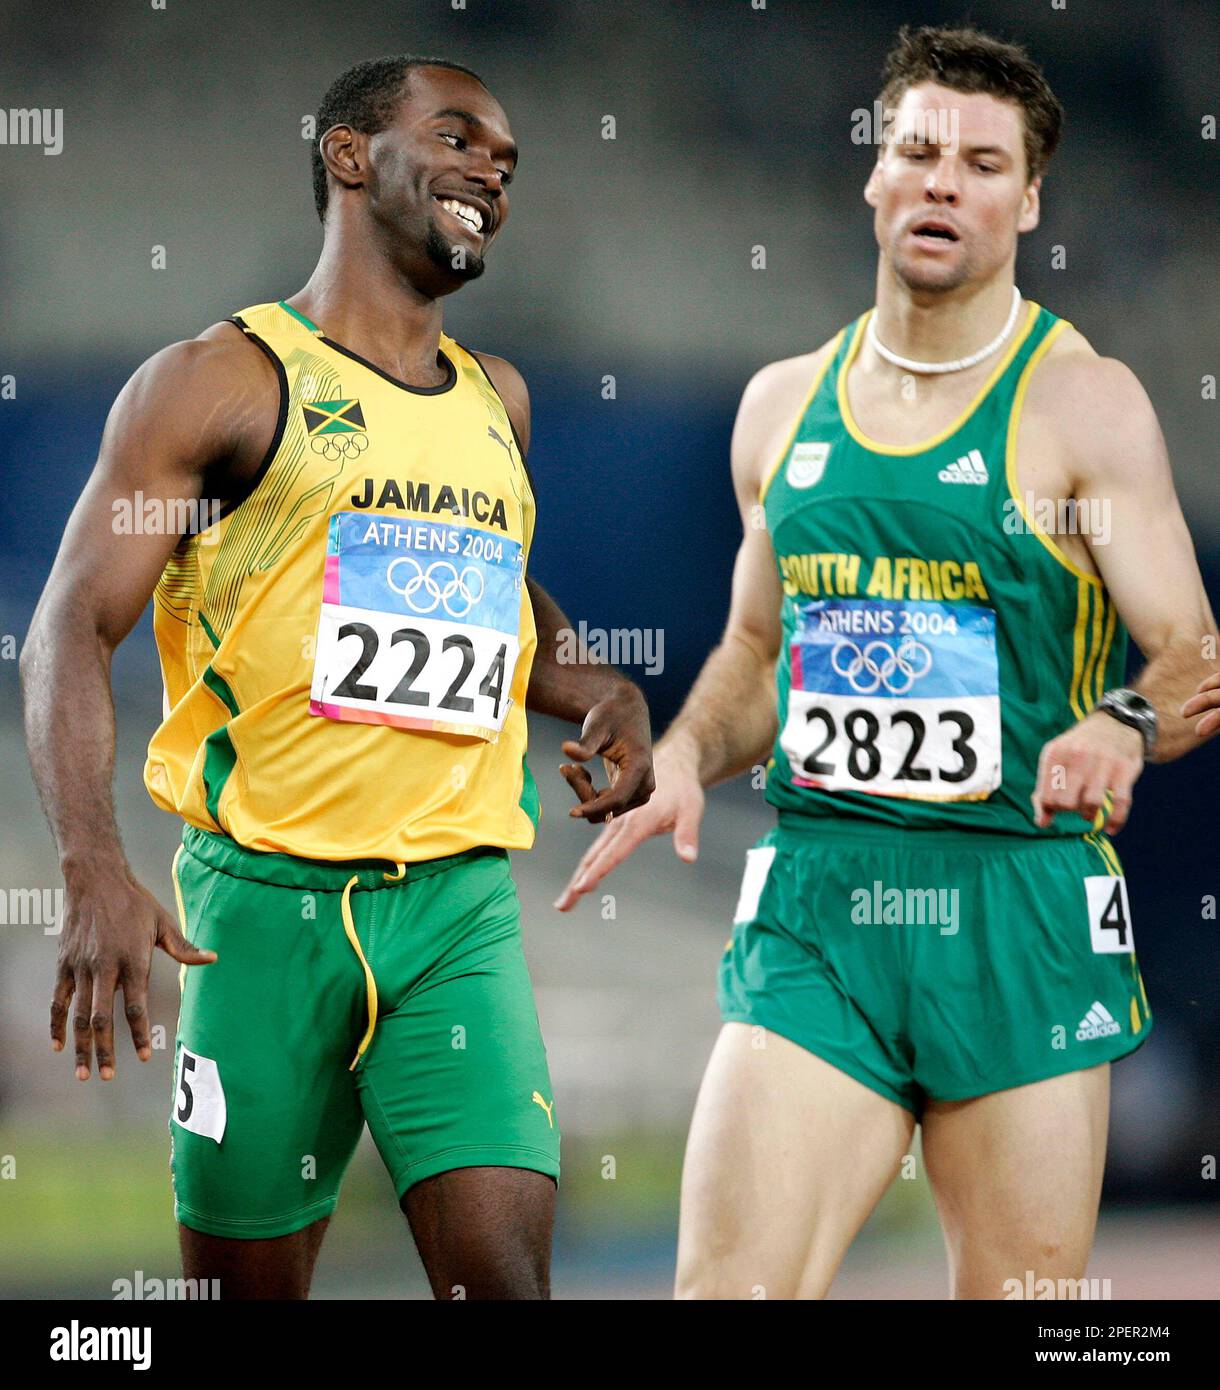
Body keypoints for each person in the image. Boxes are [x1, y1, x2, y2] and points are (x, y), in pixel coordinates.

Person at [557, 25, 1216, 1299]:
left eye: (980, 163)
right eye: (916, 152)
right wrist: (684, 755)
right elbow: (755, 650)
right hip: (819, 904)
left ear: (1027, 200)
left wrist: (1121, 724)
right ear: (873, 173)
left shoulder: (1083, 404)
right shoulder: (779, 406)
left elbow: (1191, 651)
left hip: (1015, 907)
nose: (940, 182)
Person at [21, 55, 653, 1301]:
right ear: (349, 154)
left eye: (508, 162)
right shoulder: (218, 383)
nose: (492, 173)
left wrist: (604, 692)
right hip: (259, 917)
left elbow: (488, 588)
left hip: (455, 910)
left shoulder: (499, 399)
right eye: (459, 139)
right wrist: (91, 862)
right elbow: (68, 627)